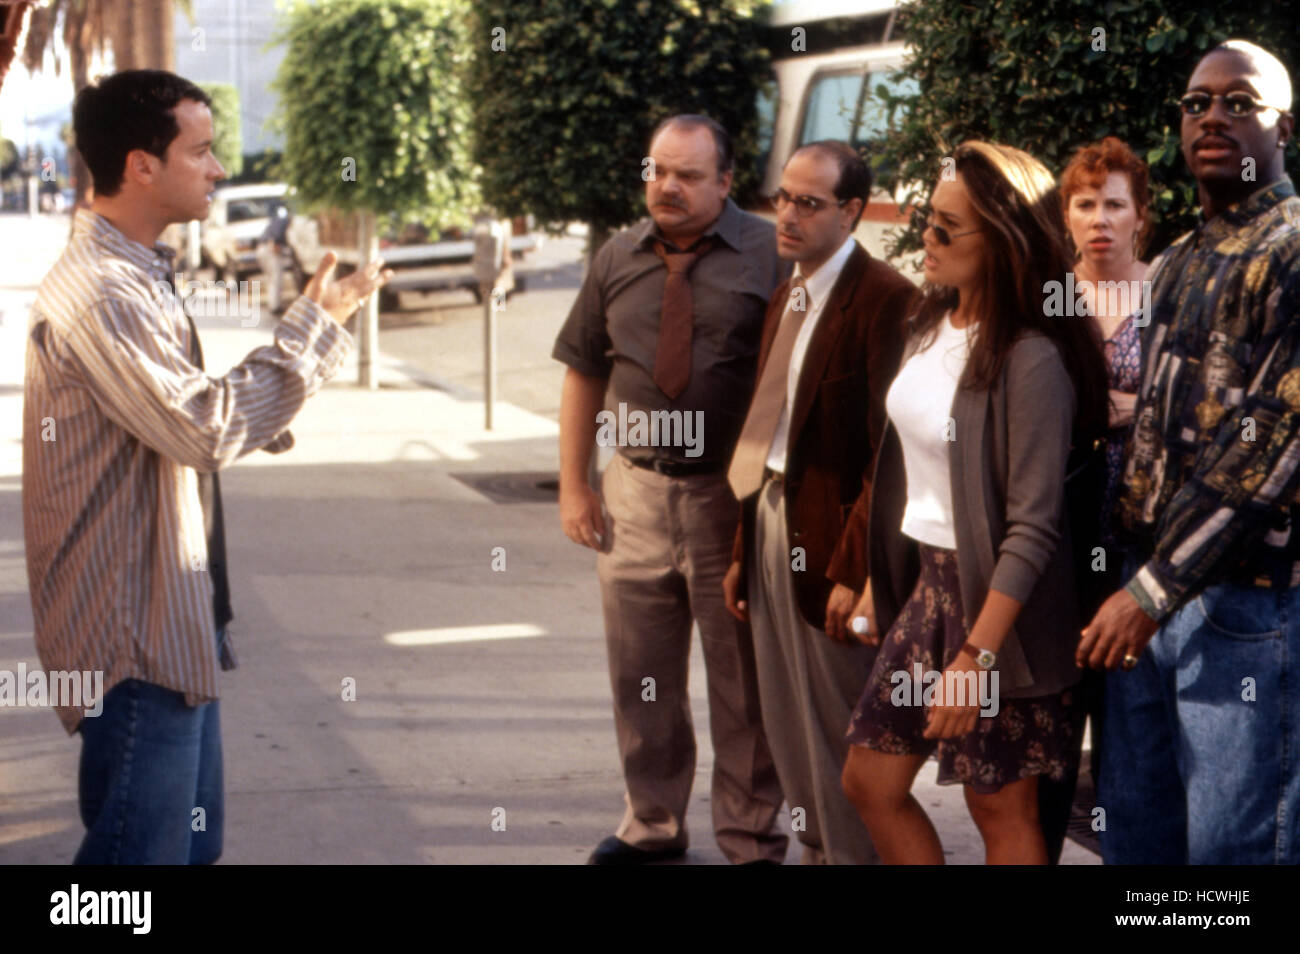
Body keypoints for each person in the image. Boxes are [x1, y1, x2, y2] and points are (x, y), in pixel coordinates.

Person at [21, 69, 389, 864]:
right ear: (141, 166)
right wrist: (312, 335)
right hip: (134, 632)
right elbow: (202, 427)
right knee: (135, 868)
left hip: (166, 615)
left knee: (187, 847)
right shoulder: (106, 291)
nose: (220, 169)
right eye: (203, 151)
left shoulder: (135, 270)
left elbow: (186, 415)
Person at [839, 141, 1109, 864]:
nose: (926, 237)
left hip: (1004, 612)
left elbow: (1034, 527)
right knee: (870, 778)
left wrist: (977, 657)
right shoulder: (928, 325)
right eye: (929, 219)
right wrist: (875, 574)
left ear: (1005, 241)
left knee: (1001, 806)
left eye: (946, 227)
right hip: (928, 589)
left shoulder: (1032, 359)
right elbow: (910, 471)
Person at [1079, 39, 1299, 865]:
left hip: (1245, 609)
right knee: (1140, 846)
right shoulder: (1177, 259)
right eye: (1197, 101)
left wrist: (1151, 589)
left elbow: (1275, 451)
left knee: (1233, 860)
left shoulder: (1293, 249)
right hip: (1144, 598)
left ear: (1285, 125)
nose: (1212, 116)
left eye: (1239, 103)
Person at [552, 114, 789, 865]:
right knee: (640, 675)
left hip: (731, 499)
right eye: (657, 171)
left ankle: (750, 836)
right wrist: (574, 486)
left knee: (742, 683)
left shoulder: (770, 253)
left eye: (688, 175)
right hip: (635, 494)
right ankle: (650, 825)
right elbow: (585, 370)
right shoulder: (616, 256)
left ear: (725, 182)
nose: (668, 187)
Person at [722, 141, 918, 864]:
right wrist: (744, 551)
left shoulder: (888, 300)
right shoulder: (787, 292)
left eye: (810, 203)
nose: (789, 215)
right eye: (783, 198)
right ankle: (817, 853)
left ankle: (851, 855)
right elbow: (768, 430)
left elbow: (888, 453)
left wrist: (859, 570)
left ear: (854, 212)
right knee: (785, 720)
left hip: (836, 541)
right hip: (770, 518)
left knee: (840, 727)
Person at [1036, 136, 1152, 862]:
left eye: (1115, 203)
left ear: (1141, 215)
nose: (1100, 218)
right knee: (1052, 710)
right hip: (1058, 530)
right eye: (1085, 204)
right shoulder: (1048, 298)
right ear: (1066, 216)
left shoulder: (1168, 288)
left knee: (1133, 723)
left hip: (1145, 532)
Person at [256, 204, 292, 315]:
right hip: (270, 249)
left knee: (271, 278)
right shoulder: (283, 221)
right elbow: (276, 239)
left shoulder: (274, 221)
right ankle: (275, 306)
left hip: (261, 249)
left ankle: (272, 304)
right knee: (276, 278)